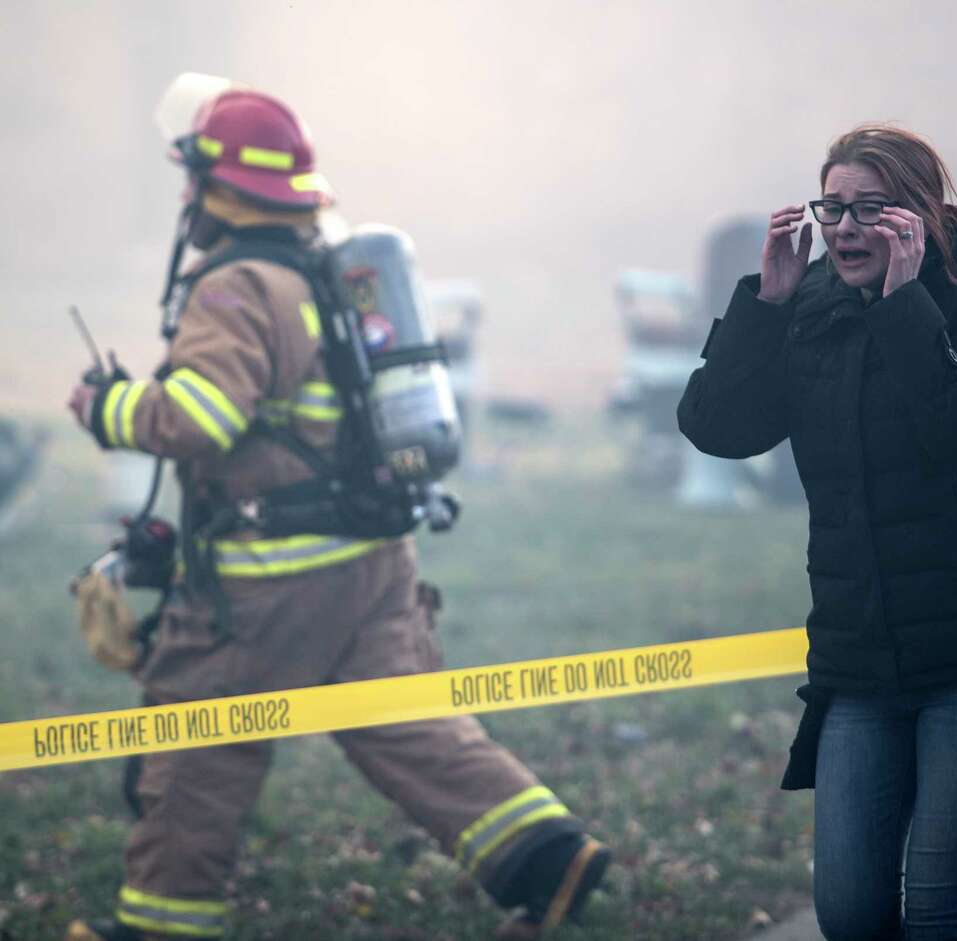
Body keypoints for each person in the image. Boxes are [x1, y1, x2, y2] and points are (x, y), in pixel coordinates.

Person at [65, 79, 607, 941]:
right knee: (405, 723)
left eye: (190, 179)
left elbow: (201, 419)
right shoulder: (331, 271)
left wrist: (110, 406)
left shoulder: (236, 287)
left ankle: (161, 926)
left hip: (265, 580)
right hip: (372, 560)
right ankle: (545, 852)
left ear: (216, 186)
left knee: (198, 744)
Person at [677, 124, 957, 941]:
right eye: (834, 208)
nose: (846, 228)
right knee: (851, 915)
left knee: (936, 913)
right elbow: (717, 427)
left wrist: (902, 302)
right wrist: (768, 303)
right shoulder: (809, 310)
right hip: (857, 663)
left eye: (872, 210)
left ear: (920, 217)